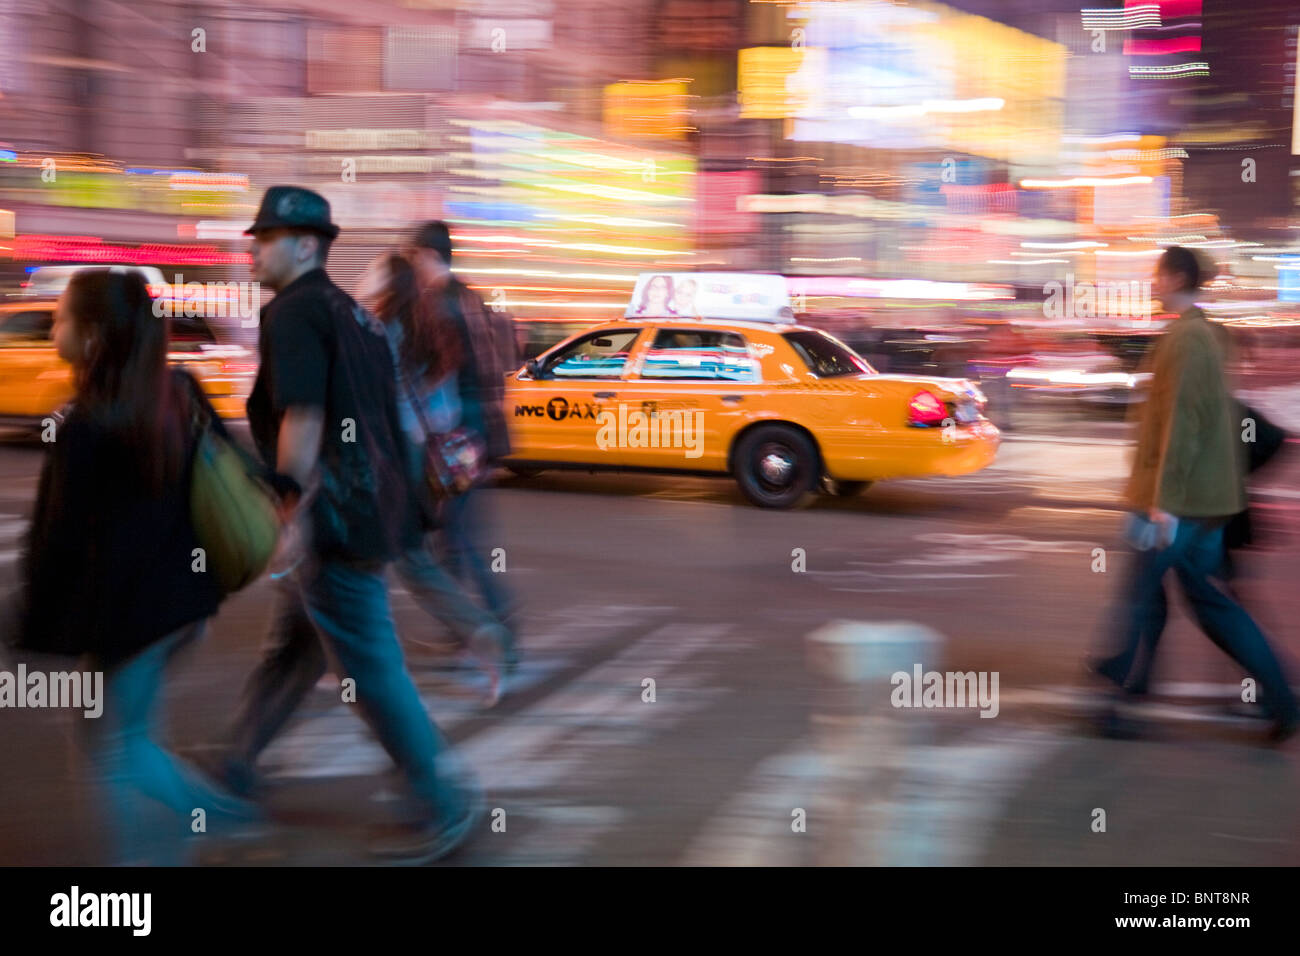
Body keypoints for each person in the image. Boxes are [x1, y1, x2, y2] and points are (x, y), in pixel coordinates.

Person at [213, 187, 483, 862]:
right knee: (295, 650)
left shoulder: (296, 312)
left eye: (266, 237)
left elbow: (303, 415)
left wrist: (286, 506)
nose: (253, 248)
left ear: (306, 245)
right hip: (370, 511)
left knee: (370, 668)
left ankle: (442, 800)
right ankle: (238, 764)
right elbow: (389, 420)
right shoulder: (355, 317)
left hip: (332, 521)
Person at [13, 268, 257, 864]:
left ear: (93, 336)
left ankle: (158, 863)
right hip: (182, 609)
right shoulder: (179, 389)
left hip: (130, 621)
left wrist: (29, 624)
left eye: (63, 319)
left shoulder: (85, 424)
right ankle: (212, 822)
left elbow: (57, 548)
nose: (53, 332)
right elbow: (234, 466)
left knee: (114, 753)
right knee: (122, 742)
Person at [1090, 246, 1299, 742]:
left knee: (1141, 594)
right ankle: (1282, 699)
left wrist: (1165, 499)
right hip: (1202, 500)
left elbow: (1183, 421)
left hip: (1177, 501)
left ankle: (1117, 690)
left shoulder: (1186, 339)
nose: (1153, 281)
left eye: (1157, 273)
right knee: (1205, 602)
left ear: (1176, 276)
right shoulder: (1204, 336)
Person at [365, 251, 511, 705]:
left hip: (395, 458)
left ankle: (478, 629)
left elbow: (373, 400)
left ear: (388, 286)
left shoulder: (382, 331)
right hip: (430, 458)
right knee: (398, 558)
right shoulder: (431, 326)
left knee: (396, 560)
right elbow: (445, 406)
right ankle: (353, 658)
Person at [410, 222, 520, 671]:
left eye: (415, 257)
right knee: (454, 537)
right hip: (482, 432)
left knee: (458, 539)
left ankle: (496, 628)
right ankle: (465, 630)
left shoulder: (440, 305)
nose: (413, 267)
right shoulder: (470, 297)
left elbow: (439, 375)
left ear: (428, 256)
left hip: (458, 435)